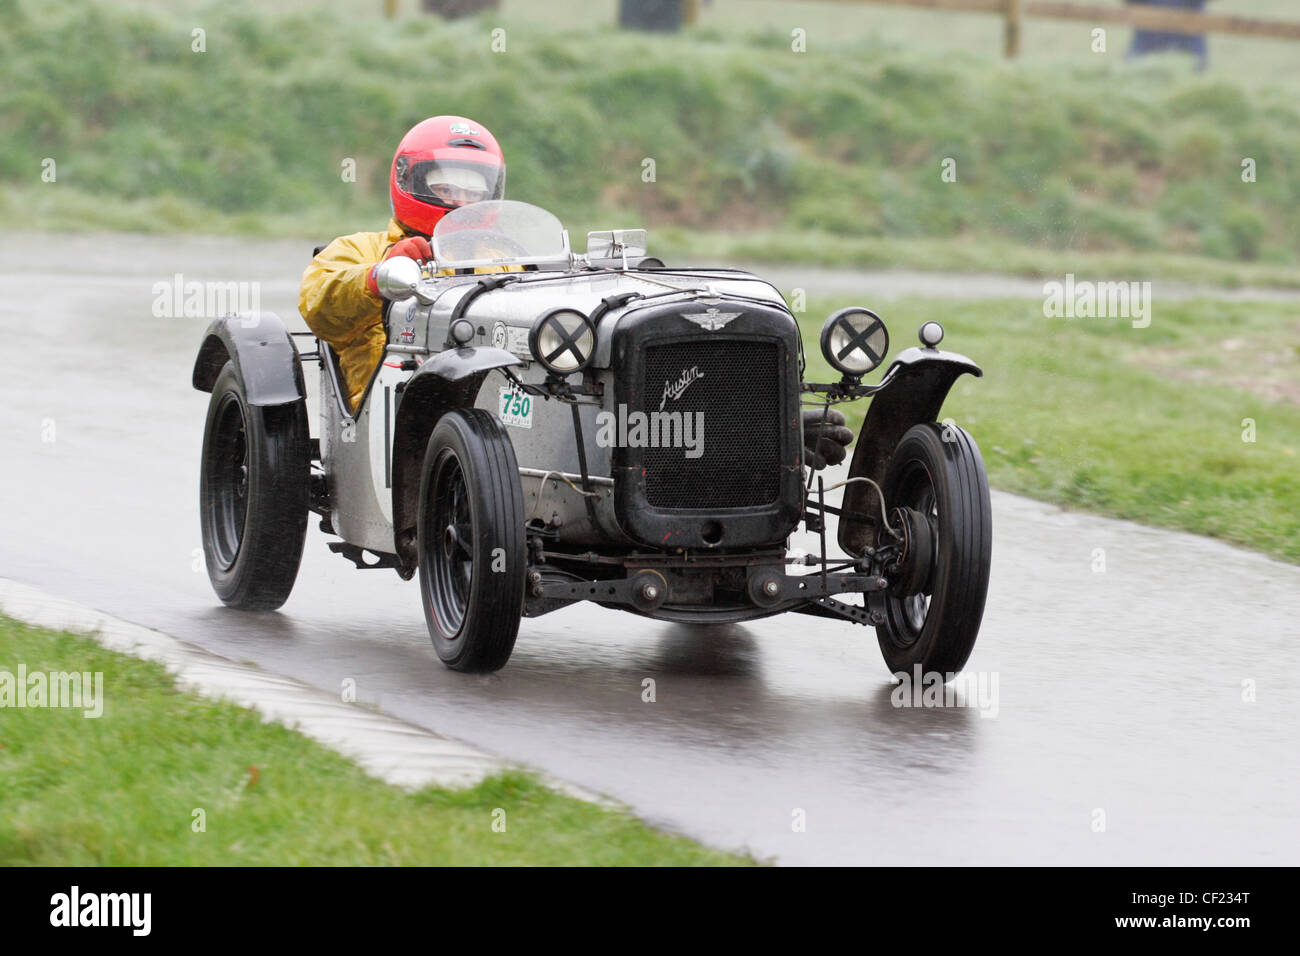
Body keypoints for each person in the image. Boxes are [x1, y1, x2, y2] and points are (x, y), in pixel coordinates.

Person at [299, 115, 507, 410]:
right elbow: (318, 309)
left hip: (492, 411)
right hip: (388, 413)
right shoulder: (358, 249)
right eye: (445, 189)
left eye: (473, 194)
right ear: (410, 180)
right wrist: (380, 275)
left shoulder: (507, 260)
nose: (461, 202)